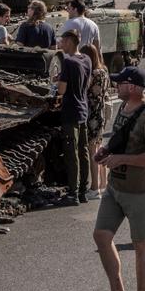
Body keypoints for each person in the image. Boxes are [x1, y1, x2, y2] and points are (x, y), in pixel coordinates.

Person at [90, 67, 145, 291]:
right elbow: (120, 139)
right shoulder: (124, 107)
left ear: (132, 87)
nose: (116, 86)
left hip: (138, 191)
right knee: (101, 235)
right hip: (115, 187)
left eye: (120, 83)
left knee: (141, 244)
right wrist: (107, 151)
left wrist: (121, 159)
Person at [55, 31, 92, 203]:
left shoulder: (68, 62)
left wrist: (57, 82)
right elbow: (87, 82)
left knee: (72, 153)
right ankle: (83, 190)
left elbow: (62, 90)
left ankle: (73, 192)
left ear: (69, 41)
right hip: (83, 109)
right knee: (83, 151)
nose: (61, 44)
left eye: (63, 41)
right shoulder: (86, 59)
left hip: (70, 111)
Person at [82, 44, 110, 198]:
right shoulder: (104, 71)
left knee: (93, 151)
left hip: (91, 114)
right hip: (101, 112)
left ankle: (94, 188)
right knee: (99, 148)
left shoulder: (92, 73)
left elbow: (84, 90)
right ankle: (103, 183)